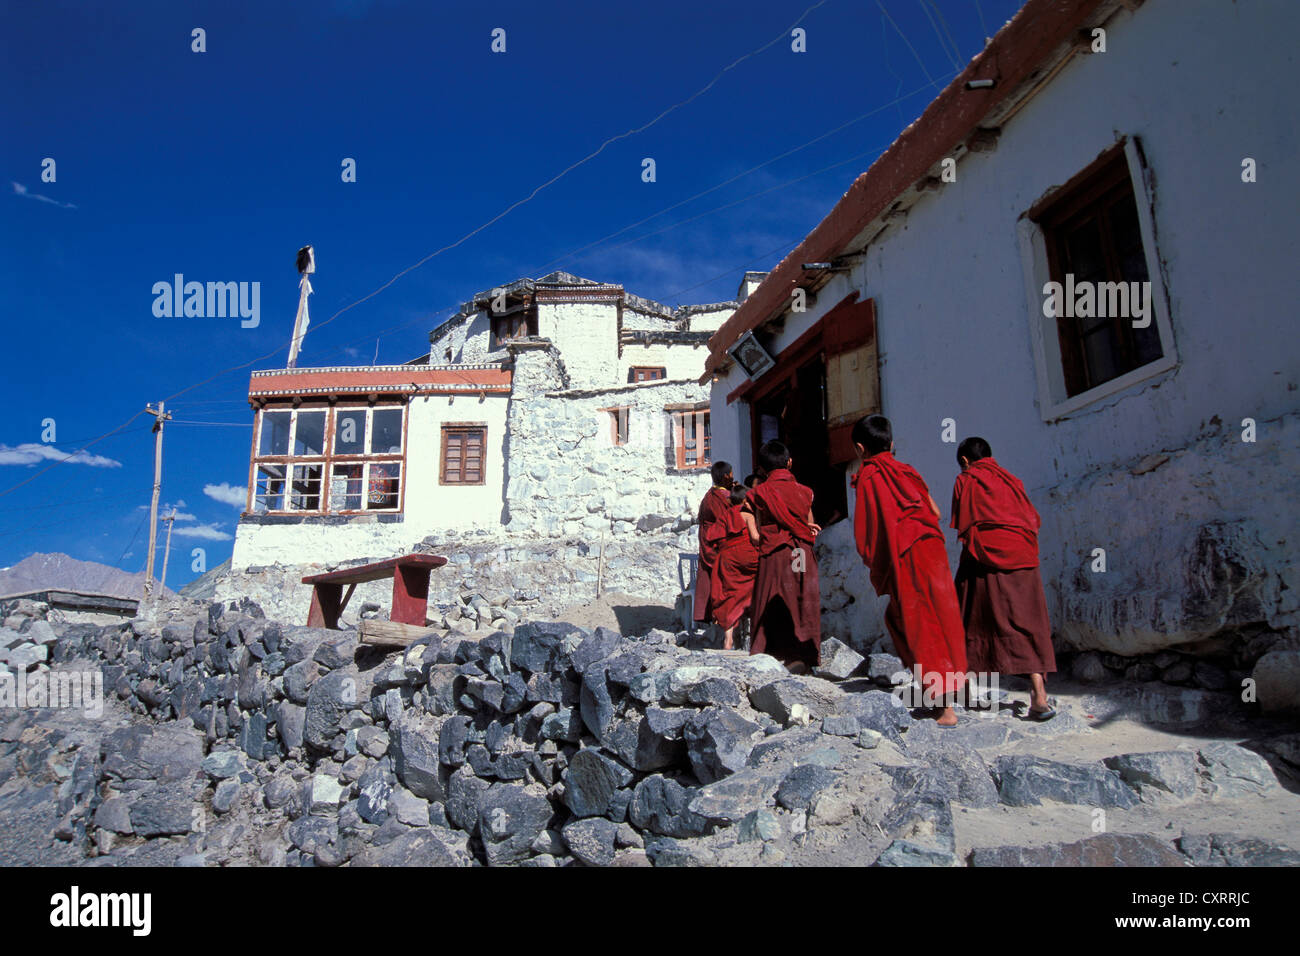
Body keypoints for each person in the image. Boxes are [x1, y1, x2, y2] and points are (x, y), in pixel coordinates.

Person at [851, 415, 967, 726]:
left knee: (920, 622)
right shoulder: (907, 471)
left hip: (907, 554)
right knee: (933, 616)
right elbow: (935, 511)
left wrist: (877, 561)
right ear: (891, 444)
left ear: (861, 449)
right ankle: (941, 691)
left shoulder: (870, 476)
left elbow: (866, 534)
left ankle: (945, 708)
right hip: (933, 548)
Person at [951, 437, 1057, 720]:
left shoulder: (967, 479)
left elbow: (965, 526)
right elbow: (1030, 519)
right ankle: (1039, 694)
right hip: (1025, 559)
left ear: (964, 461)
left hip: (986, 555)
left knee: (965, 611)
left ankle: (960, 686)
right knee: (1026, 620)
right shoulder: (1012, 480)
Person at [744, 441, 821, 672]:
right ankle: (802, 654)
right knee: (800, 597)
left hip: (774, 552)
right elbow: (808, 523)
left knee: (770, 598)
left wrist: (759, 535)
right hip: (799, 551)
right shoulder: (805, 491)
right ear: (789, 463)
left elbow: (750, 524)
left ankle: (767, 654)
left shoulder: (758, 493)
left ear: (763, 469)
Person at [710, 484, 760, 650]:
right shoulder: (747, 515)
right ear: (746, 500)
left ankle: (728, 640)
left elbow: (715, 537)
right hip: (746, 557)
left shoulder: (725, 515)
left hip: (727, 558)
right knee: (753, 585)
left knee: (729, 595)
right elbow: (754, 537)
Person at [693, 460, 734, 626]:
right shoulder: (721, 498)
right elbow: (727, 522)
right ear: (725, 476)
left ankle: (709, 614)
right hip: (716, 542)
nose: (732, 477)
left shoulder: (710, 494)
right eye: (731, 474)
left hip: (707, 540)